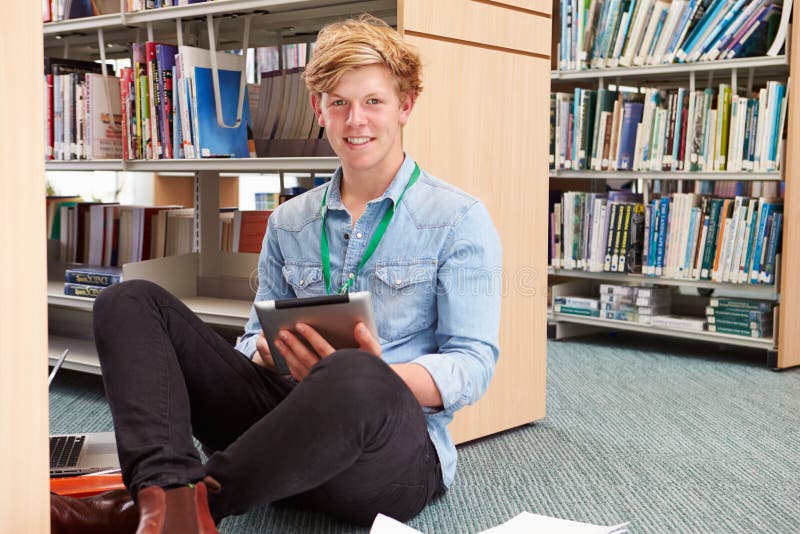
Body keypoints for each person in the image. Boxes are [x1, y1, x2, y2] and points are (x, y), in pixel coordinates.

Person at [51, 14, 502, 533]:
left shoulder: (460, 219)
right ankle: (168, 498)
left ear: (405, 106)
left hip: (386, 461)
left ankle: (197, 506)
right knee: (126, 301)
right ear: (319, 110)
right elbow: (248, 340)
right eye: (339, 103)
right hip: (283, 432)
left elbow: (473, 366)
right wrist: (266, 353)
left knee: (356, 375)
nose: (356, 120)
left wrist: (379, 378)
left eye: (373, 101)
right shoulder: (289, 221)